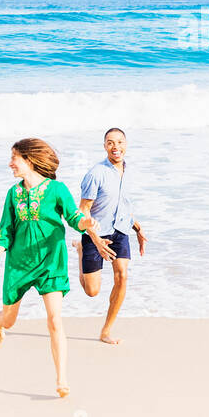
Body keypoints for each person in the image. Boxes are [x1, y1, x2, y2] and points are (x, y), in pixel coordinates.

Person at [0, 138, 114, 398]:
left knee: (55, 320)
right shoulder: (13, 193)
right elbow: (5, 229)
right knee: (9, 319)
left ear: (29, 160)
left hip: (51, 261)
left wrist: (86, 223)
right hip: (19, 263)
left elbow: (74, 218)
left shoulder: (56, 189)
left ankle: (61, 380)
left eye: (14, 159)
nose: (10, 164)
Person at [77, 127, 147, 345]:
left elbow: (122, 205)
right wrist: (95, 240)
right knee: (92, 291)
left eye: (119, 142)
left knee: (122, 276)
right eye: (110, 142)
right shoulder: (95, 173)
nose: (115, 147)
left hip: (121, 231)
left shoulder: (130, 171)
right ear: (105, 146)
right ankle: (80, 251)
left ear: (126, 144)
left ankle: (106, 331)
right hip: (96, 233)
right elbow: (83, 210)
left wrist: (137, 227)